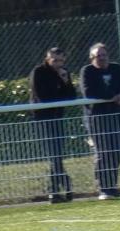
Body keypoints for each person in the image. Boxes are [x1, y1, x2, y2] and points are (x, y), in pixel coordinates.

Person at [79, 43, 120, 200]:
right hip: (96, 118)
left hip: (115, 116)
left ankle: (112, 186)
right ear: (92, 58)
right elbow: (89, 91)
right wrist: (113, 96)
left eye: (104, 55)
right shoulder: (87, 71)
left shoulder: (116, 69)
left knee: (116, 150)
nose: (102, 58)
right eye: (98, 56)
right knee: (103, 151)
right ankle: (104, 188)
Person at [29, 47, 78, 203]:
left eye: (61, 60)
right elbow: (42, 96)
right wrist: (58, 93)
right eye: (54, 60)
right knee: (54, 155)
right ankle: (61, 186)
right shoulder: (39, 72)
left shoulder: (64, 73)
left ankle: (56, 191)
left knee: (56, 155)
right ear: (48, 58)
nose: (57, 63)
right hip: (43, 119)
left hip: (58, 118)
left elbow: (71, 96)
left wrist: (64, 81)